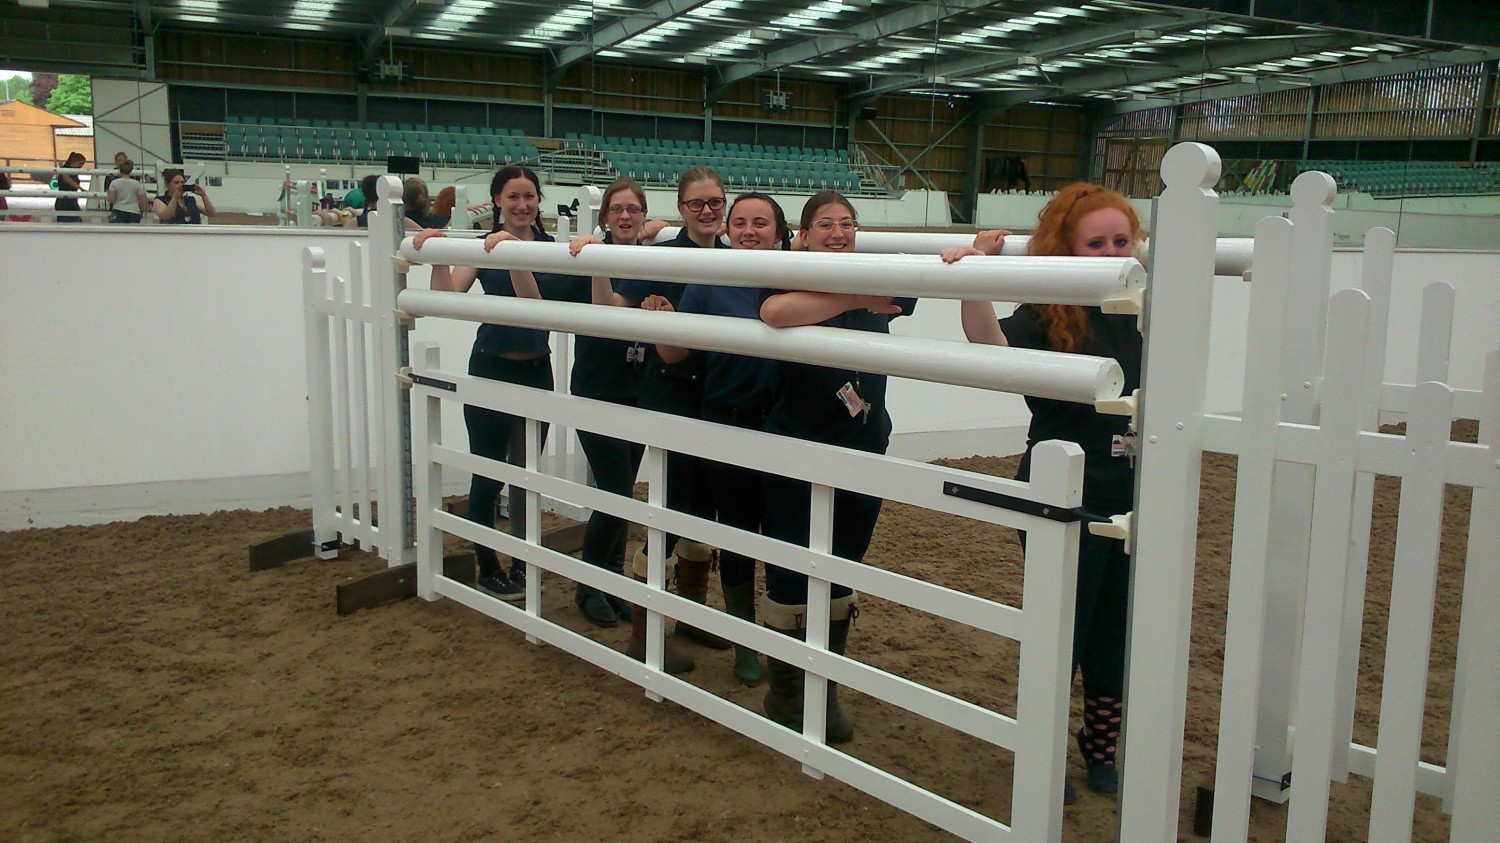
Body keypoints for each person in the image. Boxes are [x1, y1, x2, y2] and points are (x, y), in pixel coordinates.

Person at [942, 182, 1143, 802]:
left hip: (1133, 493)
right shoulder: (1048, 311)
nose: (1112, 253)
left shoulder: (1140, 309)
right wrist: (972, 273)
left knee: (1117, 631)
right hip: (1061, 488)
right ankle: (1045, 747)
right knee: (1065, 629)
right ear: (1067, 250)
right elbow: (989, 345)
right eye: (1096, 243)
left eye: (1121, 240)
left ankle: (1100, 746)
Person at [757, 190, 914, 744]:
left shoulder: (875, 274)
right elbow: (776, 313)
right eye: (825, 224)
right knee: (792, 566)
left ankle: (822, 686)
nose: (838, 232)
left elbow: (908, 290)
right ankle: (786, 689)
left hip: (864, 443)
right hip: (796, 445)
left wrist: (971, 251)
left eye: (847, 223)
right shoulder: (788, 273)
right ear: (802, 235)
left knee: (843, 567)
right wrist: (854, 296)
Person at [650, 191, 792, 686]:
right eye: (742, 223)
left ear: (779, 231)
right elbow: (676, 354)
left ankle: (781, 643)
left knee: (782, 534)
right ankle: (744, 643)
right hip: (725, 418)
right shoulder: (709, 281)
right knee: (734, 532)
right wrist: (659, 322)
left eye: (762, 222)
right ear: (729, 231)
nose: (751, 230)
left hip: (784, 424)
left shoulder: (799, 276)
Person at [411, 165, 559, 602]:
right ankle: (487, 566)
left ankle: (522, 563)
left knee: (526, 475)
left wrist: (512, 253)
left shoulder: (550, 249)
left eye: (529, 196)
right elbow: (449, 298)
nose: (522, 205)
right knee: (489, 473)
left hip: (536, 370)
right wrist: (438, 252)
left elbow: (536, 307)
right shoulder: (483, 247)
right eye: (513, 196)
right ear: (497, 201)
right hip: (491, 366)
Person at [560, 178, 661, 640]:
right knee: (616, 491)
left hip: (638, 391)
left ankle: (612, 579)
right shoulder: (592, 256)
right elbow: (607, 309)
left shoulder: (650, 258)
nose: (625, 216)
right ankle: (590, 584)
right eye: (616, 210)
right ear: (604, 218)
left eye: (634, 210)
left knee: (622, 491)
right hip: (598, 389)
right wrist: (597, 256)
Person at [106, 159, 148, 224]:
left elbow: (111, 200)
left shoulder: (114, 183)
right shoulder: (137, 184)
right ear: (131, 170)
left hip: (118, 210)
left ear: (119, 170)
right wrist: (142, 211)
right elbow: (142, 202)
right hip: (134, 212)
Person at [55, 151, 86, 223]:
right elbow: (66, 178)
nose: (81, 166)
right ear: (74, 162)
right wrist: (80, 188)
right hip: (65, 202)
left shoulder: (67, 170)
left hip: (71, 201)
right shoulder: (66, 171)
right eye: (80, 164)